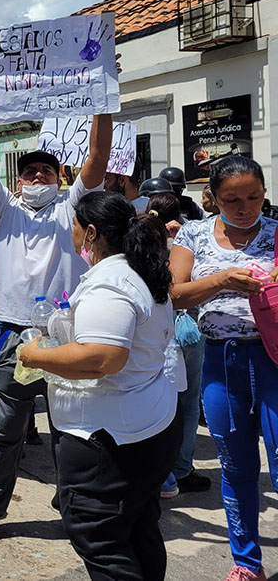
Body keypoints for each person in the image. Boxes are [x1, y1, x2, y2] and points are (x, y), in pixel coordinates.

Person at [0, 107, 112, 547]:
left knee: (71, 434)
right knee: (4, 432)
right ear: (18, 181)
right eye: (29, 173)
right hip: (13, 337)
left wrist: (103, 101)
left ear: (60, 177)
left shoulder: (72, 208)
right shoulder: (2, 210)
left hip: (67, 338)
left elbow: (98, 157)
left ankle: (76, 509)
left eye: (46, 171)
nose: (38, 177)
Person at [18, 191, 181, 581]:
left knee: (101, 536)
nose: (71, 235)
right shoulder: (138, 269)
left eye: (74, 227)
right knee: (138, 526)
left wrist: (34, 355)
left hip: (109, 439)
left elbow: (103, 358)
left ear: (90, 233)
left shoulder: (110, 282)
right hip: (145, 424)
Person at [170, 156, 278, 581]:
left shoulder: (276, 232)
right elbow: (175, 293)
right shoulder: (194, 233)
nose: (244, 207)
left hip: (273, 359)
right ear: (213, 197)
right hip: (221, 361)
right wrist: (221, 280)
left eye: (254, 196)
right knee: (236, 468)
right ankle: (247, 563)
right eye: (232, 199)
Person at [143, 195, 211, 500]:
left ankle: (164, 473)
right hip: (189, 331)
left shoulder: (141, 240)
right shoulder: (193, 237)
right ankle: (179, 471)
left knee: (160, 403)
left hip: (157, 334)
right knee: (188, 403)